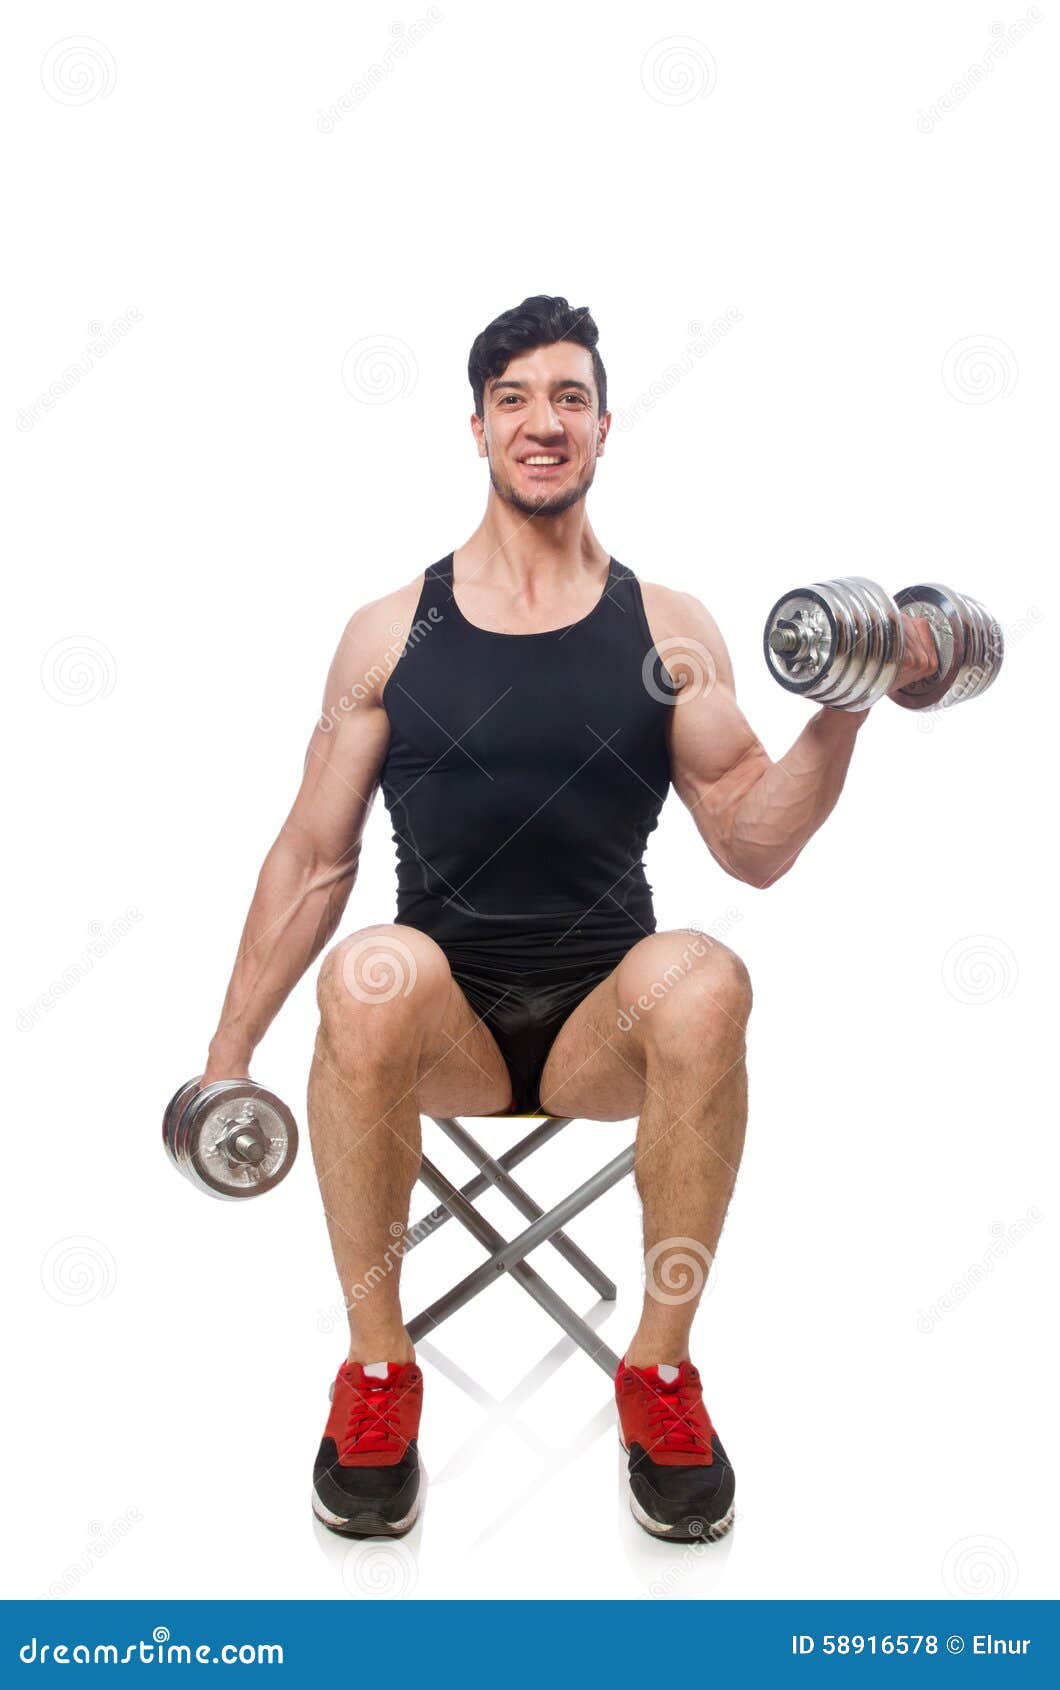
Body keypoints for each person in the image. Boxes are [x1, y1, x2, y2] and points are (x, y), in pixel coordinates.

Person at [199, 296, 938, 1542]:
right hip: (443, 1033)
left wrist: (848, 706)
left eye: (570, 399)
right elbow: (313, 859)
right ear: (478, 428)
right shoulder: (391, 634)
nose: (544, 423)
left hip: (609, 1031)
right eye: (515, 400)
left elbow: (752, 843)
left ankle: (657, 1374)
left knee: (705, 966)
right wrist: (226, 1059)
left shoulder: (668, 631)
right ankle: (377, 1376)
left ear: (603, 426)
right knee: (369, 968)